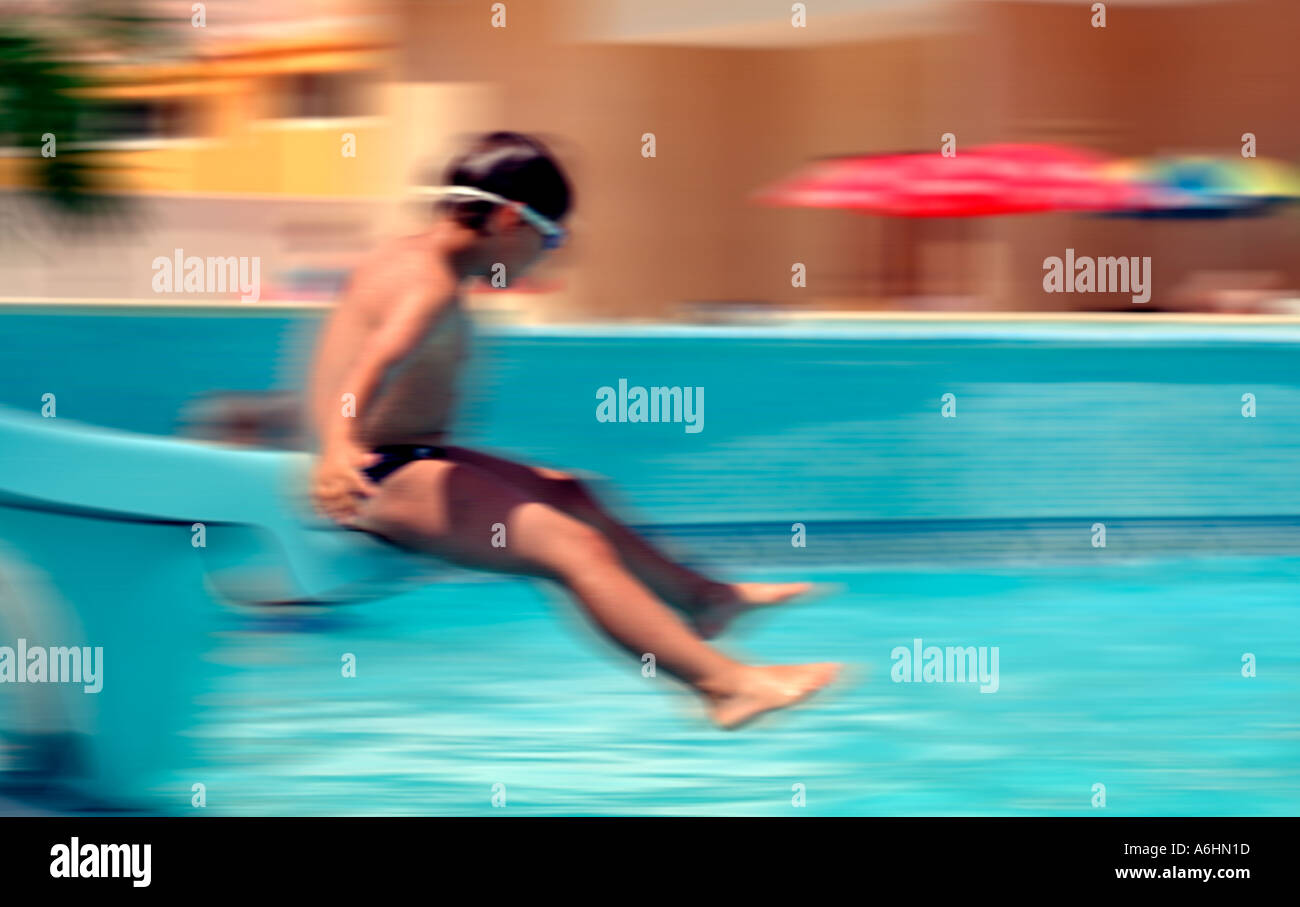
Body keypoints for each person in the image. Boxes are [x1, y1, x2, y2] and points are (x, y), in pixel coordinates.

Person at [307, 132, 838, 728]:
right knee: (573, 548)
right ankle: (726, 686)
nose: (547, 255)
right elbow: (371, 365)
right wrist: (336, 451)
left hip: (410, 455)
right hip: (377, 473)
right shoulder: (425, 284)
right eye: (551, 238)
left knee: (572, 494)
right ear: (510, 220)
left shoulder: (421, 262)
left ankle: (703, 597)